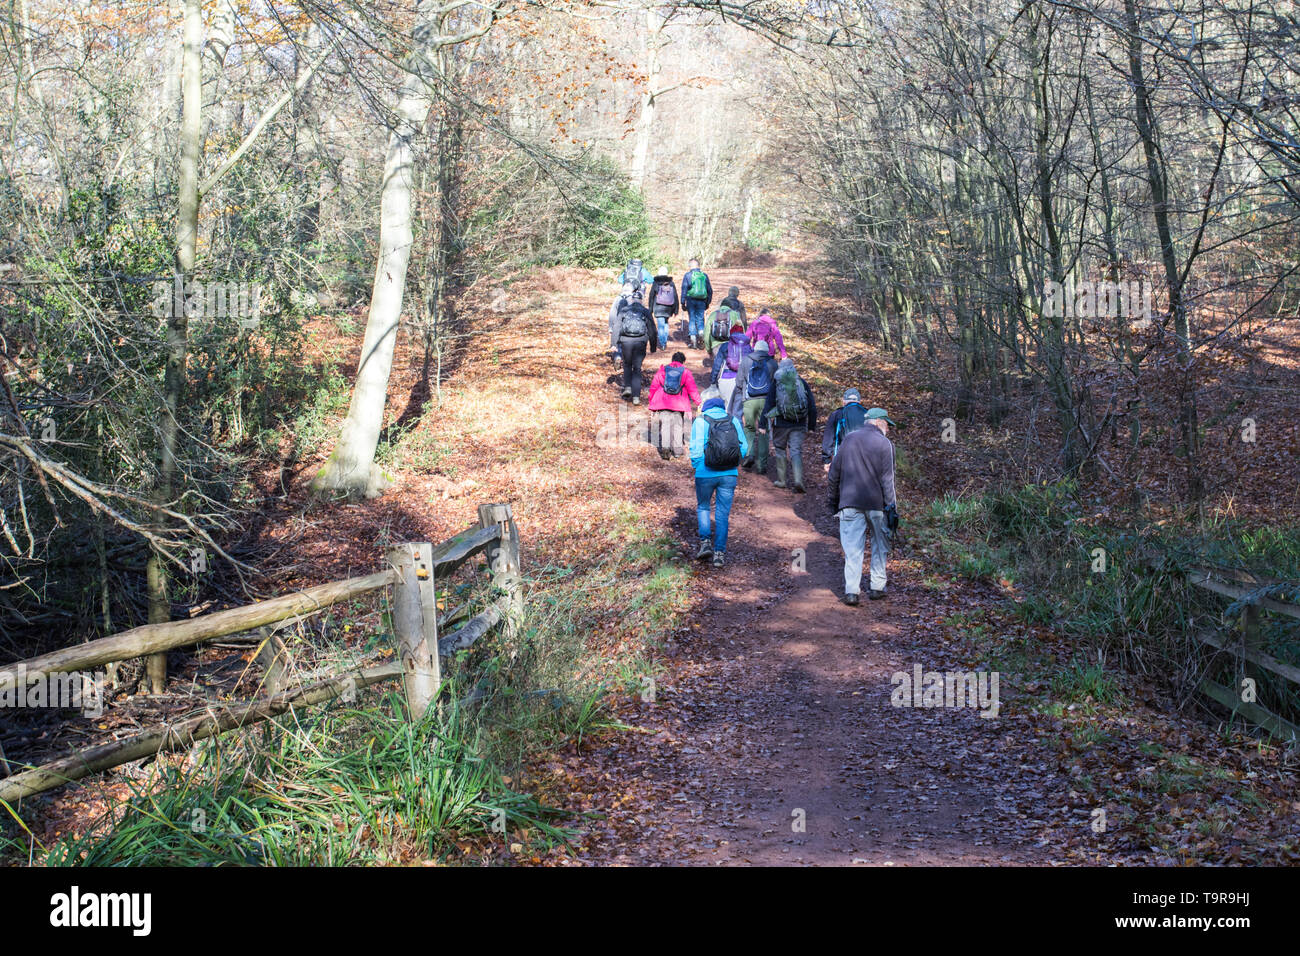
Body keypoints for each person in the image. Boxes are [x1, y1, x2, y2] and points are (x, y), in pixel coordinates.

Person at [827, 407, 898, 605]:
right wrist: (892, 507)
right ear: (878, 422)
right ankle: (876, 586)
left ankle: (851, 591)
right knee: (879, 546)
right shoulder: (885, 444)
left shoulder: (848, 439)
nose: (889, 429)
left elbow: (834, 474)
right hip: (877, 505)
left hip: (849, 503)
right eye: (887, 424)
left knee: (852, 549)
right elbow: (888, 481)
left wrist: (833, 503)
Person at [690, 385, 748, 568]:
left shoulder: (700, 421)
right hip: (729, 474)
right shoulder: (733, 420)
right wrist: (733, 464)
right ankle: (719, 554)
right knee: (723, 514)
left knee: (704, 507)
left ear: (705, 402)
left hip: (705, 473)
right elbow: (744, 446)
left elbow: (695, 449)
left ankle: (705, 543)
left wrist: (698, 467)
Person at [762, 357, 817, 493]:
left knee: (780, 449)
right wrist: (811, 426)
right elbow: (812, 406)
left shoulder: (777, 383)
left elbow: (769, 404)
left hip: (781, 424)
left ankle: (782, 481)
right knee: (796, 451)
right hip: (799, 423)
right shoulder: (801, 382)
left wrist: (763, 424)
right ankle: (798, 480)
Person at [728, 338, 777, 474]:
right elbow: (776, 384)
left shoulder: (746, 360)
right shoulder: (772, 363)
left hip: (749, 399)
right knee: (764, 430)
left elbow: (738, 382)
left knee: (749, 428)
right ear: (767, 351)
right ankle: (762, 465)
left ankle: (749, 454)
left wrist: (742, 394)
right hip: (766, 401)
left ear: (755, 349)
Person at [647, 350, 700, 460]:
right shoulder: (685, 372)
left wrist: (651, 401)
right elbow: (692, 389)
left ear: (672, 360)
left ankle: (665, 448)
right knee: (677, 425)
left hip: (663, 402)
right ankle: (677, 450)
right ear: (683, 361)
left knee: (665, 424)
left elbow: (654, 386)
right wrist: (698, 402)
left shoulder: (663, 370)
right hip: (679, 403)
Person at [612, 284, 658, 404]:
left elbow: (616, 326)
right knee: (637, 368)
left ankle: (627, 387)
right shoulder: (645, 311)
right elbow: (652, 329)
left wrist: (614, 343)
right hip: (640, 342)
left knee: (627, 364)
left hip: (625, 341)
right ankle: (636, 397)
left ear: (632, 300)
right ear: (641, 300)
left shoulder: (624, 310)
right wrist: (653, 346)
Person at [822, 388, 869, 472]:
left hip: (843, 456)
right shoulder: (868, 414)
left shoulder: (837, 414)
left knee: (842, 482)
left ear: (844, 401)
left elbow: (828, 438)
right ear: (859, 401)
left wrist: (827, 459)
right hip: (865, 458)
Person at [710, 318, 750, 410]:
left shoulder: (725, 346)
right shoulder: (747, 346)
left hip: (726, 379)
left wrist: (713, 381)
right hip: (742, 381)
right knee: (739, 410)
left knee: (727, 408)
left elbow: (717, 364)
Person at [679, 258, 713, 350]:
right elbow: (710, 290)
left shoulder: (687, 275)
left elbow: (684, 289)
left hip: (690, 300)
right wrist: (708, 302)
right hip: (702, 300)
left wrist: (682, 302)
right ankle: (701, 334)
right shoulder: (704, 276)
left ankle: (693, 340)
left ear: (690, 266)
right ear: (698, 266)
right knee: (700, 319)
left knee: (692, 319)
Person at [649, 272, 679, 351]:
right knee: (665, 324)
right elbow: (675, 296)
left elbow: (651, 295)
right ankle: (664, 341)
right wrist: (676, 309)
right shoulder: (671, 283)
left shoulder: (656, 283)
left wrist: (650, 309)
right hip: (668, 307)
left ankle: (662, 343)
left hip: (658, 307)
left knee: (660, 326)